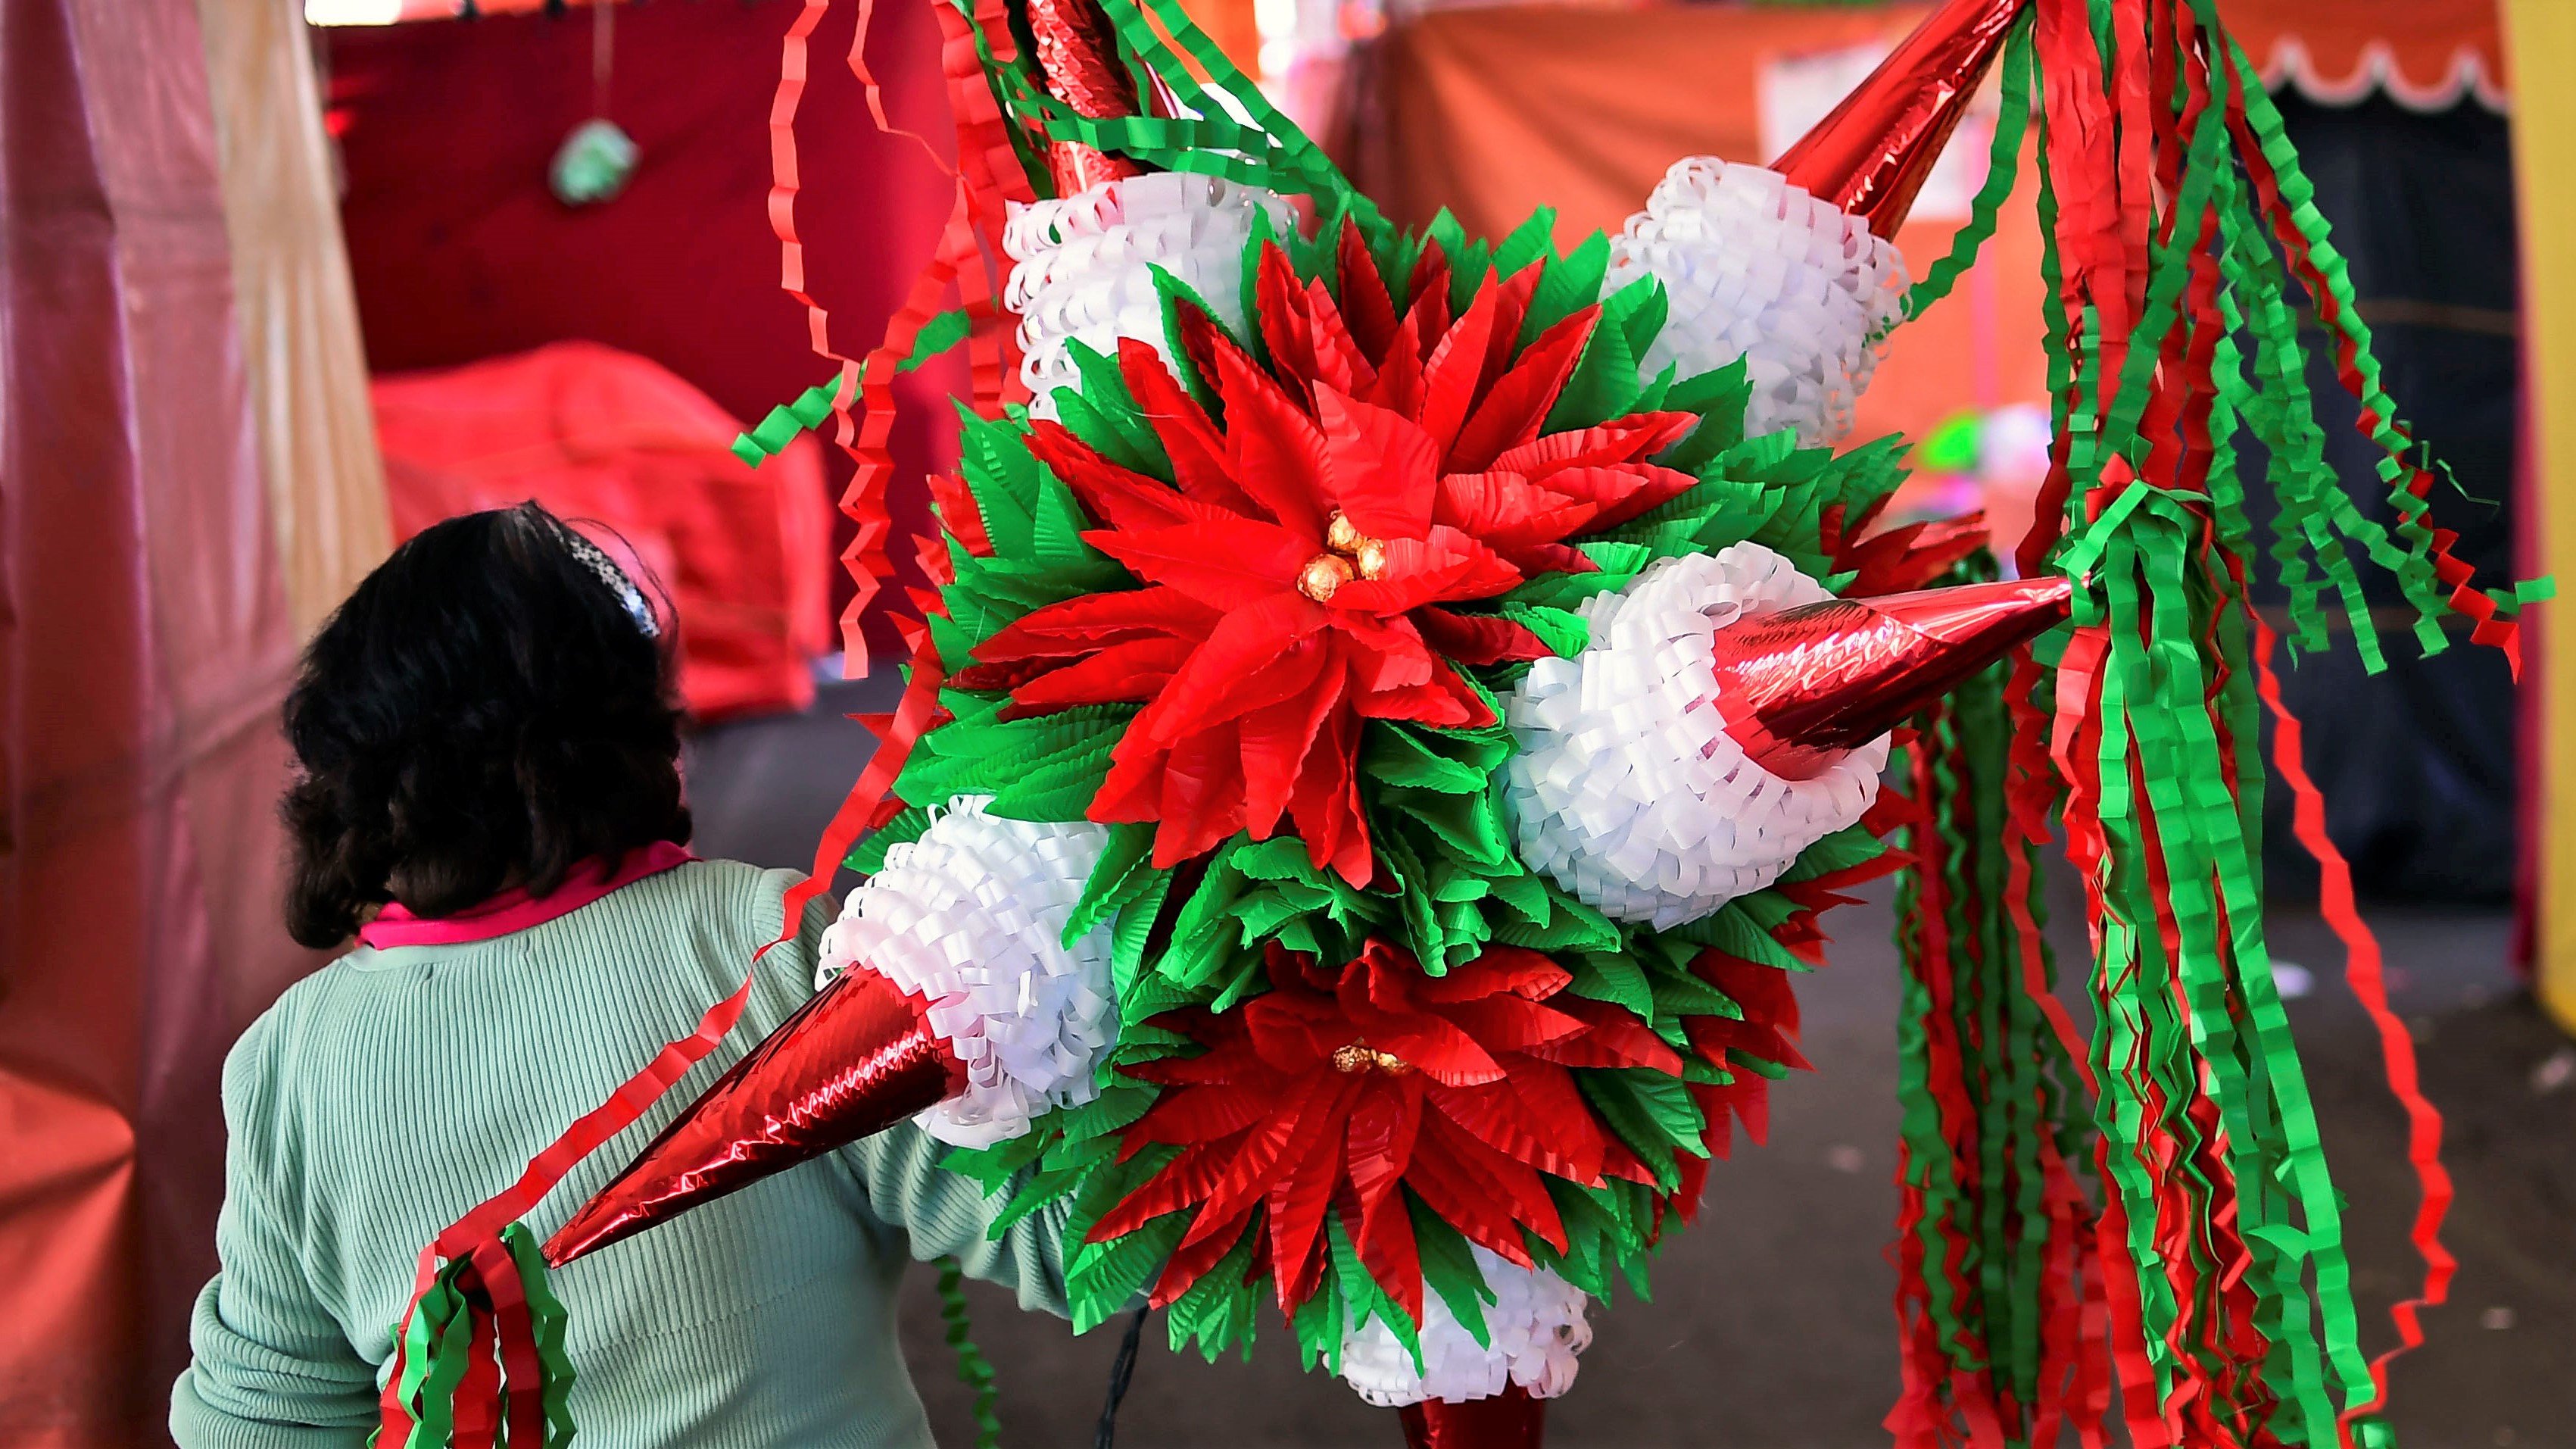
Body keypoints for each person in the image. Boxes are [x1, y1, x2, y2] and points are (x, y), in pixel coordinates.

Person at [170, 502, 1064, 1449]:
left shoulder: (289, 1059)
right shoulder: (760, 943)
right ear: (630, 727)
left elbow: (259, 1417)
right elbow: (1061, 1236)